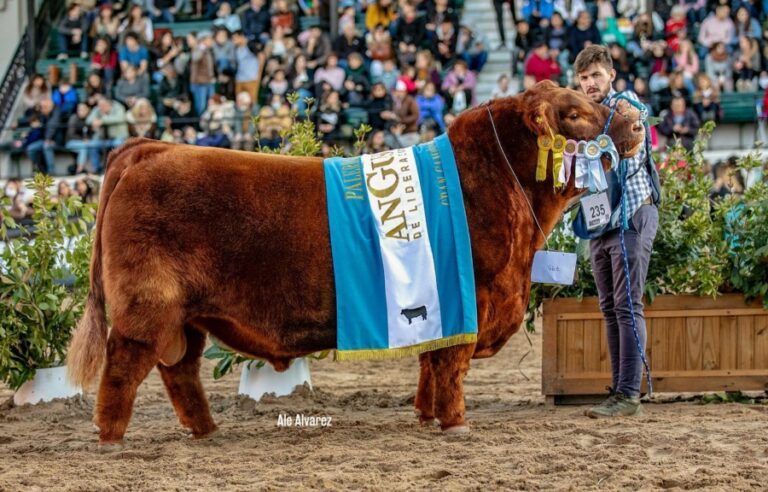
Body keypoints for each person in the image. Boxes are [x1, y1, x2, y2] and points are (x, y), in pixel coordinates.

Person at [574, 44, 661, 418]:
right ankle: (619, 390)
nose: (590, 83)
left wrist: (634, 121)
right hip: (600, 222)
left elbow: (637, 117)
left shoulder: (623, 104)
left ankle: (629, 394)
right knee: (610, 308)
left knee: (627, 306)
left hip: (632, 214)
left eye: (595, 75)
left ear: (610, 73)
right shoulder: (582, 117)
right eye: (583, 78)